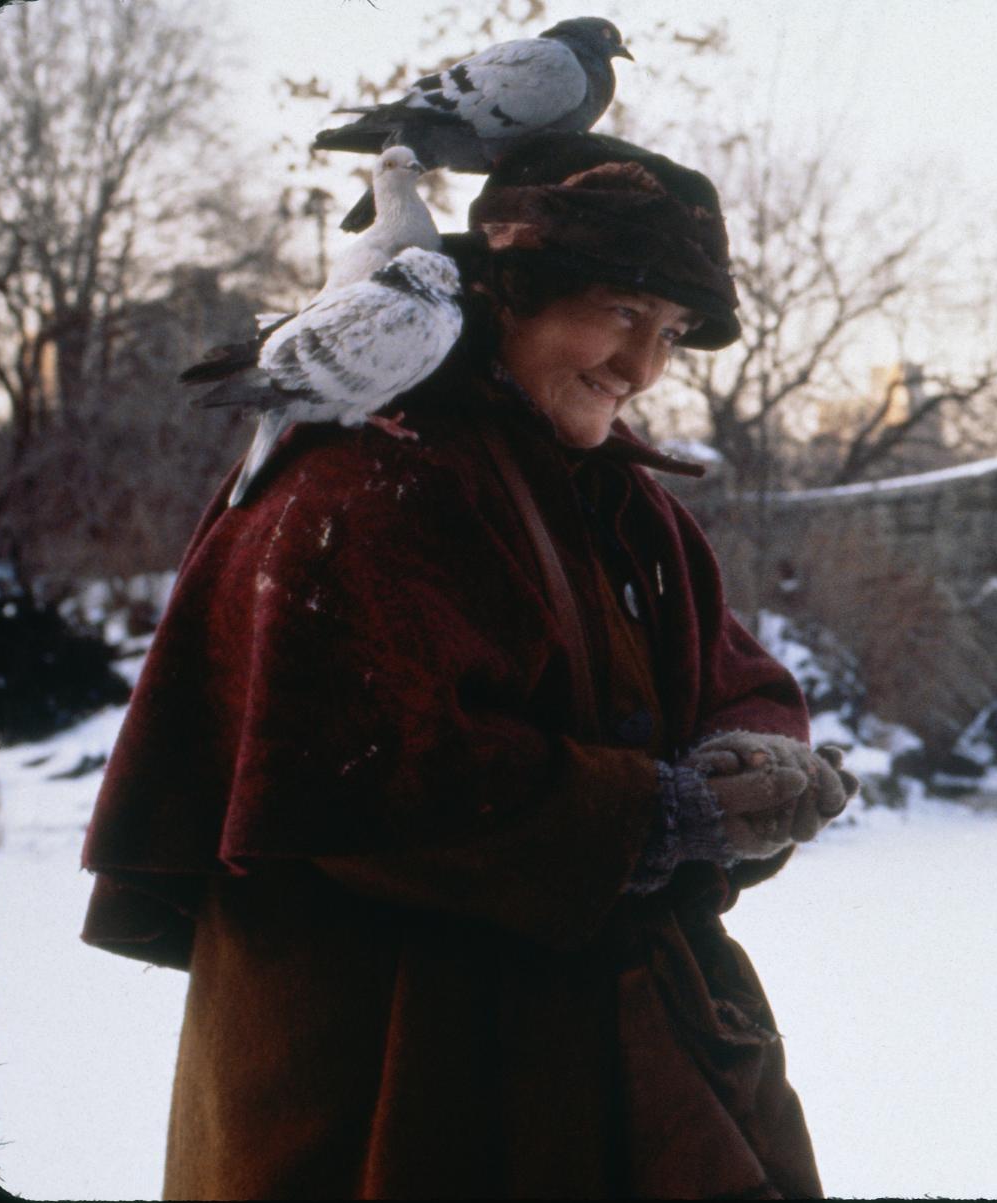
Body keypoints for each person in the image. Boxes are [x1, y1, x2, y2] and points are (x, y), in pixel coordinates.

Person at [79, 132, 850, 1199]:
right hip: (402, 1079)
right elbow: (372, 773)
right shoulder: (357, 488)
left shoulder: (620, 501)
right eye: (620, 313)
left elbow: (730, 669)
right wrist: (656, 817)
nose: (644, 368)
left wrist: (753, 758)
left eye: (669, 332)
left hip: (622, 1057)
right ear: (507, 295)